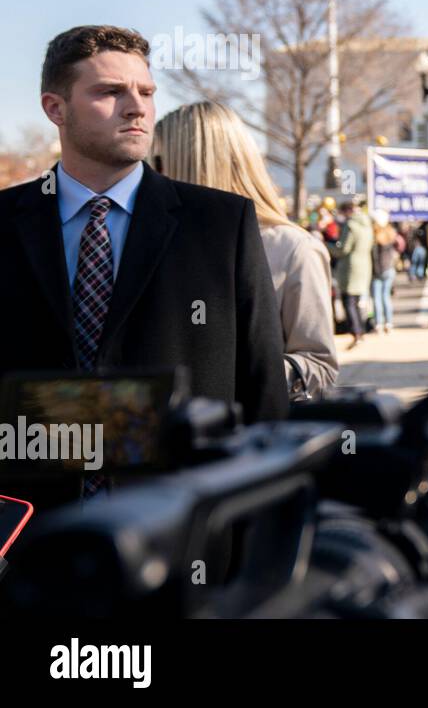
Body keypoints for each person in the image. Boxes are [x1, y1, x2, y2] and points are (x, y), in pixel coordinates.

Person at [0, 26, 286, 506]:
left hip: (184, 524)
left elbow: (263, 395)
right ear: (55, 108)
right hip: (29, 532)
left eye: (146, 92)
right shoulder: (7, 223)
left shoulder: (220, 223)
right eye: (110, 92)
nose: (136, 107)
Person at [151, 100, 338, 400]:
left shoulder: (293, 249)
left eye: (158, 162)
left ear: (194, 164)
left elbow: (319, 366)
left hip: (247, 424)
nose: (151, 175)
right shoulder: (155, 242)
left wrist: (243, 372)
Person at [330, 200, 373, 350]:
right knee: (358, 301)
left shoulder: (351, 226)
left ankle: (356, 332)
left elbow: (343, 249)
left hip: (351, 268)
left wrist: (326, 245)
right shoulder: (367, 225)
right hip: (364, 265)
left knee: (349, 302)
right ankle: (361, 329)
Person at [370, 211, 398, 334]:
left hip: (378, 270)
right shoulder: (391, 233)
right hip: (389, 268)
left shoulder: (376, 236)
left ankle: (379, 323)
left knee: (377, 298)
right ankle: (389, 322)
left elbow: (375, 257)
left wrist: (375, 271)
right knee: (386, 296)